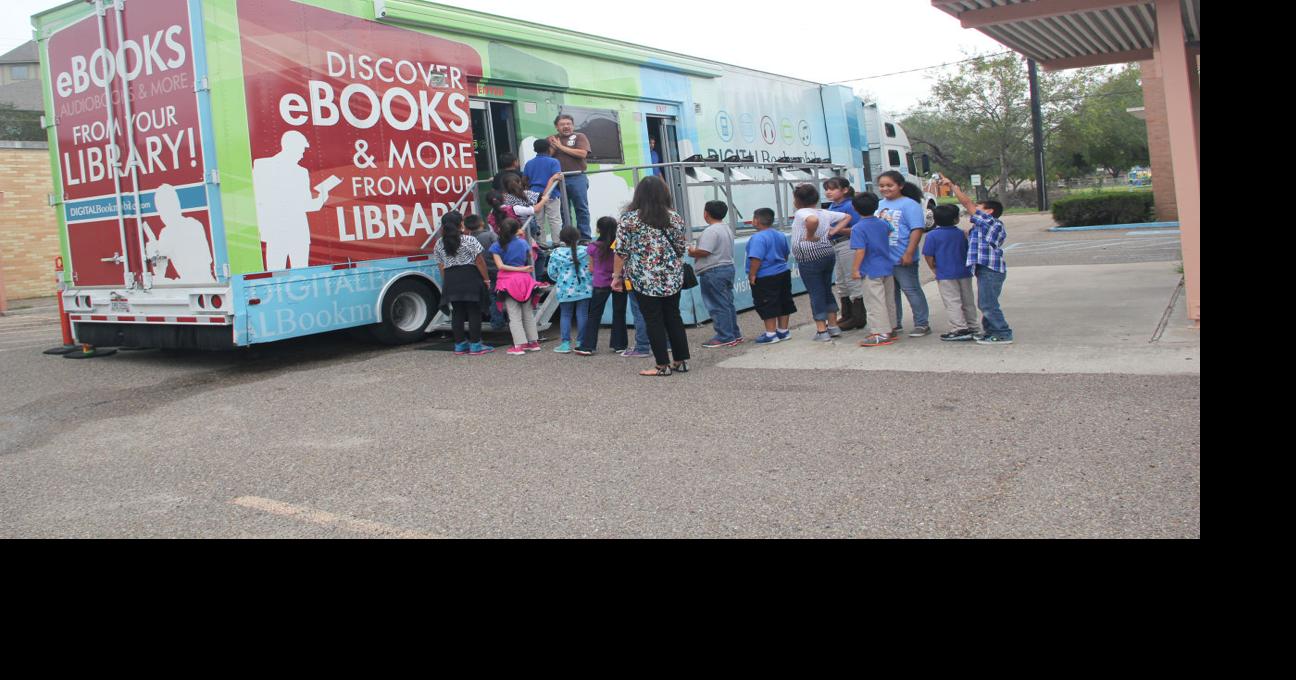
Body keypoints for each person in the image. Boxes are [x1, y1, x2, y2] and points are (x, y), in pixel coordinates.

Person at [612, 176, 691, 377]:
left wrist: (616, 276)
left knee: (653, 320)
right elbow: (681, 248)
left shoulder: (629, 219)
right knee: (674, 316)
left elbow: (621, 251)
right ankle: (681, 361)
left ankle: (661, 365)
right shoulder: (674, 217)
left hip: (644, 277)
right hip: (672, 275)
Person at [944, 178, 1013, 345]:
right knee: (986, 302)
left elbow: (967, 203)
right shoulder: (981, 227)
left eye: (979, 207)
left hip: (991, 269)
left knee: (987, 304)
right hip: (986, 269)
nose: (973, 209)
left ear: (988, 211)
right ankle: (990, 331)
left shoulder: (990, 222)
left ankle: (1002, 332)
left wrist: (954, 187)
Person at [790, 184, 851, 342]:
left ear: (797, 200)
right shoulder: (824, 212)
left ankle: (821, 329)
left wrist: (810, 235)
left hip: (809, 258)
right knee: (826, 290)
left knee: (816, 292)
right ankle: (833, 325)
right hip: (827, 254)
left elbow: (812, 220)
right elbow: (847, 217)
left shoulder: (803, 212)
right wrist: (833, 231)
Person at [876, 170, 931, 338]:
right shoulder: (880, 204)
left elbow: (917, 229)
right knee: (891, 294)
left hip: (903, 257)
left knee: (911, 289)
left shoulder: (909, 204)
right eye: (882, 186)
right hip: (885, 258)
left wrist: (909, 252)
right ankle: (894, 323)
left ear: (900, 186)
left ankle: (922, 323)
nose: (885, 188)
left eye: (889, 185)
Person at [432, 212, 494, 356]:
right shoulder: (469, 240)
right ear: (460, 224)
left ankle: (460, 345)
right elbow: (479, 261)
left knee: (457, 312)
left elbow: (441, 266)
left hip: (451, 279)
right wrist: (486, 279)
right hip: (470, 276)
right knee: (473, 311)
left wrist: (446, 282)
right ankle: (476, 345)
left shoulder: (439, 243)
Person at [922, 204, 981, 342]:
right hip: (964, 272)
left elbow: (928, 255)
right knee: (968, 300)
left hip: (945, 274)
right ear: (956, 219)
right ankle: (973, 325)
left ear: (935, 220)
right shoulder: (962, 234)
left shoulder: (932, 236)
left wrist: (934, 269)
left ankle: (959, 328)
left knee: (952, 301)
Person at [688, 201, 742, 348]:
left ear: (706, 213)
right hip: (726, 267)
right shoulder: (726, 228)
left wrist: (692, 251)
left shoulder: (711, 231)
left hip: (713, 270)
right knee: (727, 303)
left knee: (717, 304)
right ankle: (734, 333)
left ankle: (725, 336)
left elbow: (705, 251)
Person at [849, 192, 899, 347]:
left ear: (855, 209)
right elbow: (890, 230)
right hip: (886, 266)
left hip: (870, 269)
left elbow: (860, 250)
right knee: (888, 299)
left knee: (874, 302)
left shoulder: (858, 228)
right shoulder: (883, 223)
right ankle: (891, 328)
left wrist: (855, 269)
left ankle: (880, 333)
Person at [575, 217, 629, 356]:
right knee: (619, 312)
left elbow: (591, 268)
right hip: (619, 281)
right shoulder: (619, 245)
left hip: (600, 283)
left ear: (598, 229)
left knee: (594, 314)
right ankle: (619, 345)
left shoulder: (593, 247)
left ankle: (588, 346)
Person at [490, 218, 542, 355]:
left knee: (514, 315)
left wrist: (519, 269)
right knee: (528, 313)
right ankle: (533, 342)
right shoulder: (523, 243)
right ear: (516, 229)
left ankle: (519, 345)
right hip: (526, 281)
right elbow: (531, 256)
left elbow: (500, 266)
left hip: (508, 282)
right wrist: (523, 269)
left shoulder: (497, 245)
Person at [747, 207, 796, 345]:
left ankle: (771, 333)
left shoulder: (757, 238)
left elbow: (756, 258)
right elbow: (785, 254)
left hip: (765, 275)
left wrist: (752, 274)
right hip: (782, 272)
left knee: (767, 303)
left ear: (756, 221)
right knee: (784, 300)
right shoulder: (779, 234)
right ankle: (783, 331)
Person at [823, 177, 866, 331]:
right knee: (841, 281)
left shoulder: (850, 206)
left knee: (851, 279)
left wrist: (836, 229)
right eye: (827, 189)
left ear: (845, 190)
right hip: (835, 245)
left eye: (833, 188)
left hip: (847, 243)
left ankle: (858, 317)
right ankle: (847, 315)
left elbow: (857, 228)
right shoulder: (832, 206)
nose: (828, 192)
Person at [546, 226, 593, 354]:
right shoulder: (586, 251)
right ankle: (581, 342)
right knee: (582, 314)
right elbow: (592, 268)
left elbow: (551, 273)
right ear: (578, 237)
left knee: (565, 315)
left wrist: (561, 278)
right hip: (584, 288)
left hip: (564, 289)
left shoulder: (556, 253)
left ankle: (565, 344)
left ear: (561, 239)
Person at [549, 114, 593, 238]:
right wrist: (553, 147)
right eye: (562, 124)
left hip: (577, 177)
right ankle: (568, 238)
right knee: (563, 210)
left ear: (573, 125)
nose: (566, 126)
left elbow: (582, 153)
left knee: (581, 208)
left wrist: (560, 147)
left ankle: (584, 237)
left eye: (568, 124)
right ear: (556, 127)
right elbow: (547, 157)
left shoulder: (579, 136)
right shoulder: (551, 139)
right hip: (558, 179)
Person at [468, 214, 506, 331]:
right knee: (502, 295)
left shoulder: (469, 240)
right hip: (497, 270)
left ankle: (496, 322)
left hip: (482, 272)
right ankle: (506, 320)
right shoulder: (490, 235)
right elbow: (501, 249)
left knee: (492, 297)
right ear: (482, 223)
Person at [523, 139, 565, 245]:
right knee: (554, 219)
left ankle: (541, 244)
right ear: (549, 148)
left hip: (534, 194)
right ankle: (557, 242)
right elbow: (557, 177)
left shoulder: (529, 163)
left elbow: (524, 180)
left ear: (534, 149)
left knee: (538, 220)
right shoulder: (554, 162)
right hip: (551, 193)